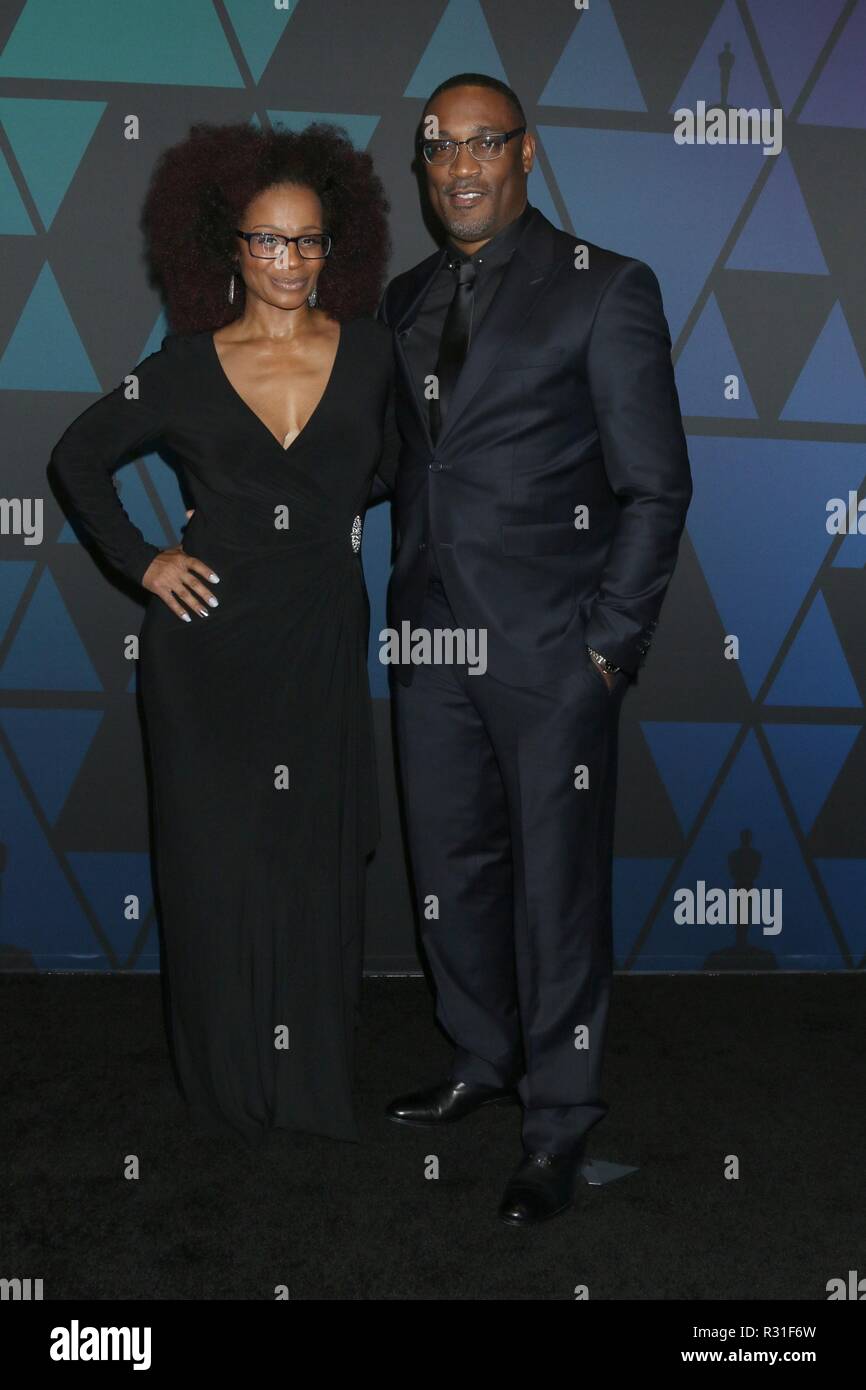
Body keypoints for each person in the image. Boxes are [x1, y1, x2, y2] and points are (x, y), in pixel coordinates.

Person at [377, 74, 693, 1224]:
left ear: (523, 153)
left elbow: (655, 487)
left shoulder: (601, 288)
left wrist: (605, 649)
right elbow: (396, 463)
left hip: (551, 655)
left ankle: (556, 1124)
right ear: (420, 165)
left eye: (481, 145)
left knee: (556, 897)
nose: (457, 167)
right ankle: (479, 1055)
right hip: (427, 639)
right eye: (437, 148)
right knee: (446, 874)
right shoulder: (403, 296)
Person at [49, 121, 397, 1147]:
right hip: (208, 652)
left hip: (319, 638)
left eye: (307, 242)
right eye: (266, 241)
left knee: (315, 863)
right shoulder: (187, 367)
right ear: (230, 248)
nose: (288, 263)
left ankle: (310, 1089)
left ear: (336, 247)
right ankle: (226, 1090)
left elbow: (400, 470)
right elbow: (77, 456)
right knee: (213, 866)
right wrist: (144, 558)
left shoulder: (374, 357)